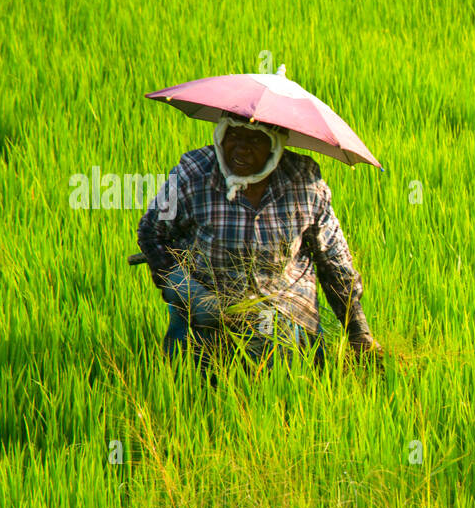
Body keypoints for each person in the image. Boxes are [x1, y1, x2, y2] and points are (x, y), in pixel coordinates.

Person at [136, 113, 380, 371]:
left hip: (284, 316)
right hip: (204, 318)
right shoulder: (194, 174)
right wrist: (187, 291)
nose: (241, 147)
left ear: (275, 145)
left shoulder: (304, 183)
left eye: (255, 139)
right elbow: (152, 232)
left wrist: (358, 331)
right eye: (234, 135)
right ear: (221, 135)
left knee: (286, 395)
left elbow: (333, 260)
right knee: (196, 391)